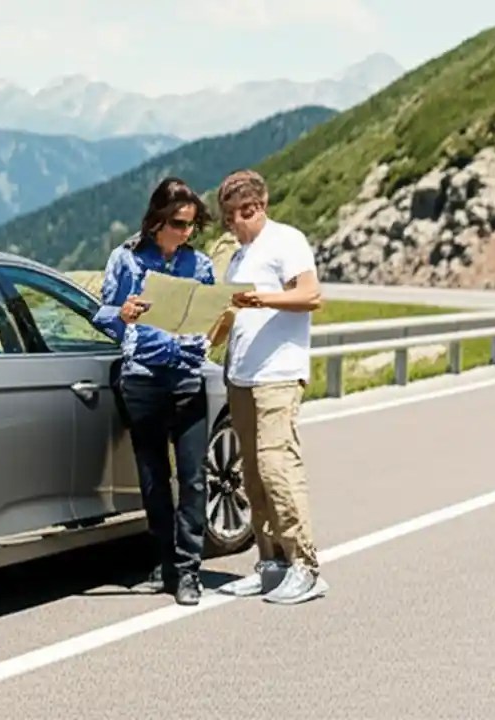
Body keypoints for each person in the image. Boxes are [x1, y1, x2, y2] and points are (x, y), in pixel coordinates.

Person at [92, 176, 224, 606]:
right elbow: (103, 314)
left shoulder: (199, 265)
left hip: (187, 375)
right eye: (178, 224)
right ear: (157, 221)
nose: (185, 233)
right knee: (153, 479)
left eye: (190, 225)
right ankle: (164, 562)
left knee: (193, 478)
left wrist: (213, 328)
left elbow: (211, 314)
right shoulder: (125, 260)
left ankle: (188, 570)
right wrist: (123, 313)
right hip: (143, 378)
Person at [213, 169, 329, 605]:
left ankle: (305, 565)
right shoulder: (240, 258)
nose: (231, 225)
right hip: (241, 376)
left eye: (235, 216)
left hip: (279, 375)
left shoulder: (287, 240)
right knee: (253, 475)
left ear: (255, 208)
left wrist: (262, 298)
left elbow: (311, 295)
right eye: (226, 218)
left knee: (278, 466)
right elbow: (232, 317)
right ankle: (271, 563)